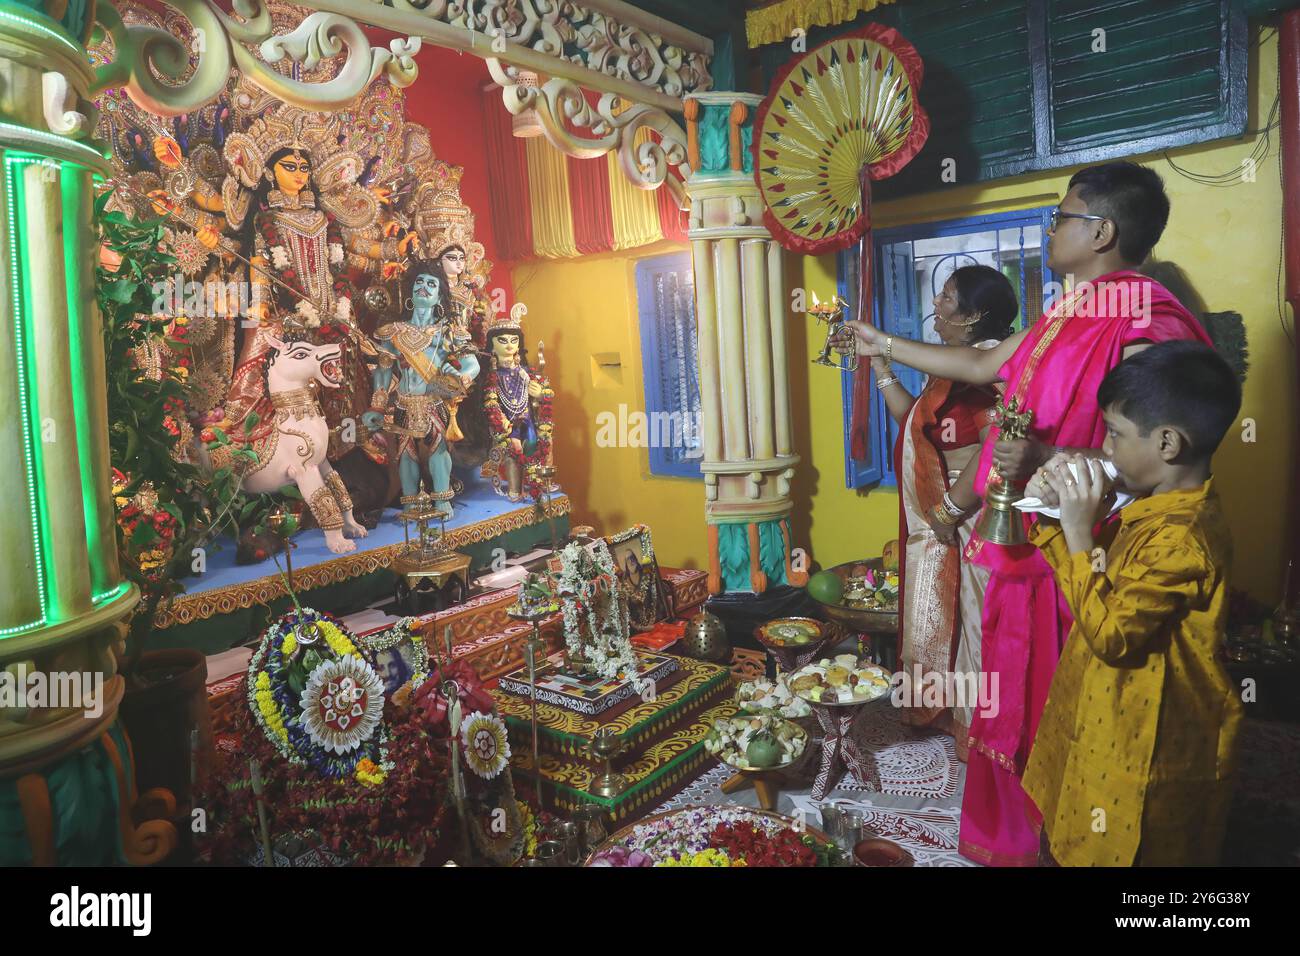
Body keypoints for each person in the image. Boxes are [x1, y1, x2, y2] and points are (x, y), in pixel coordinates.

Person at [849, 162, 1213, 866]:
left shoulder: (1145, 321)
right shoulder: (1067, 312)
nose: (1052, 228)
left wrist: (1045, 457)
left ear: (1100, 230)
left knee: (1067, 713)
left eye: (1061, 215)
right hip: (1025, 543)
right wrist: (882, 345)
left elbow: (1164, 455)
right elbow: (983, 371)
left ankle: (1066, 844)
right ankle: (1015, 841)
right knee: (1009, 698)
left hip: (1085, 548)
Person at [1021, 341, 1243, 866]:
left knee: (1125, 849)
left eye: (1116, 434)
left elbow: (1114, 635)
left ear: (1167, 443)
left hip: (1147, 742)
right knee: (1068, 832)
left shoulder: (1183, 536)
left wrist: (1078, 532)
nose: (1106, 447)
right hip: (1103, 717)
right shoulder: (1152, 507)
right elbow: (1098, 587)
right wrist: (1055, 521)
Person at [874, 265, 1016, 749]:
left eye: (949, 297)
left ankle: (982, 735)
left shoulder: (987, 368)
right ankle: (955, 716)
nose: (936, 302)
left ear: (975, 315)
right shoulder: (952, 367)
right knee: (947, 614)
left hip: (974, 511)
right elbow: (914, 422)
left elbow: (996, 444)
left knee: (977, 623)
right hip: (942, 510)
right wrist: (880, 367)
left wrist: (952, 510)